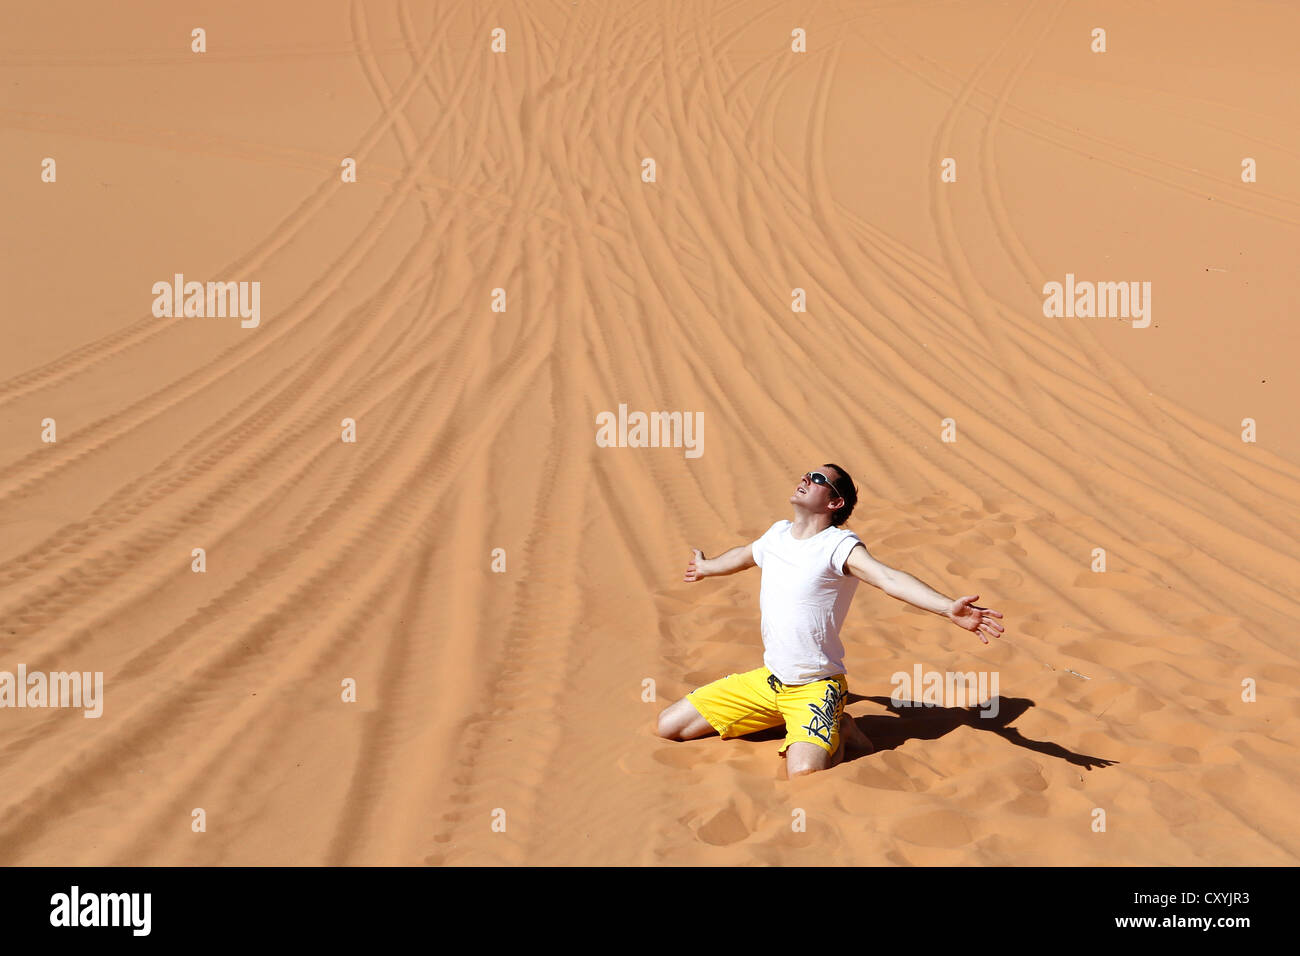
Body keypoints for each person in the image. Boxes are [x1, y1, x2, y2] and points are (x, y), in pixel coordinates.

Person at [656, 464, 1005, 778]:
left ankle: (841, 727)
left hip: (816, 687)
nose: (806, 479)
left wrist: (947, 608)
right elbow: (745, 556)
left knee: (805, 773)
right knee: (670, 727)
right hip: (770, 680)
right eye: (806, 474)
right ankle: (793, 722)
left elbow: (889, 578)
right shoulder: (776, 535)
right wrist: (707, 568)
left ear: (835, 503)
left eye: (818, 479)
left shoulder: (838, 546)